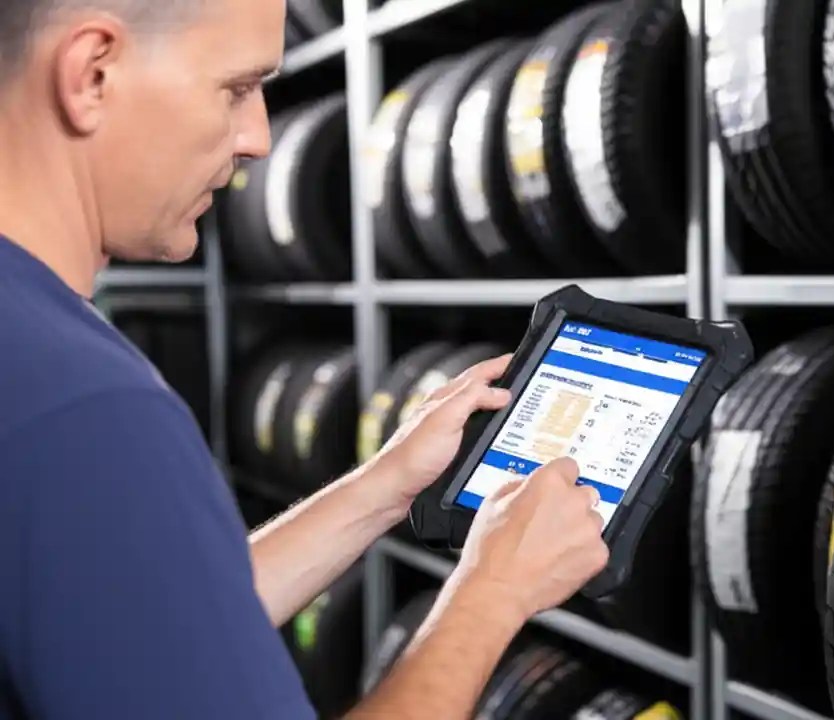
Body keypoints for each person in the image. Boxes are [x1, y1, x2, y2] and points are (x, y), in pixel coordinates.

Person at [0, 0, 610, 718]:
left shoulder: (32, 349)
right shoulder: (87, 411)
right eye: (235, 88)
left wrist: (384, 486)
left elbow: (153, 632)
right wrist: (495, 592)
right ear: (92, 74)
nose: (259, 139)